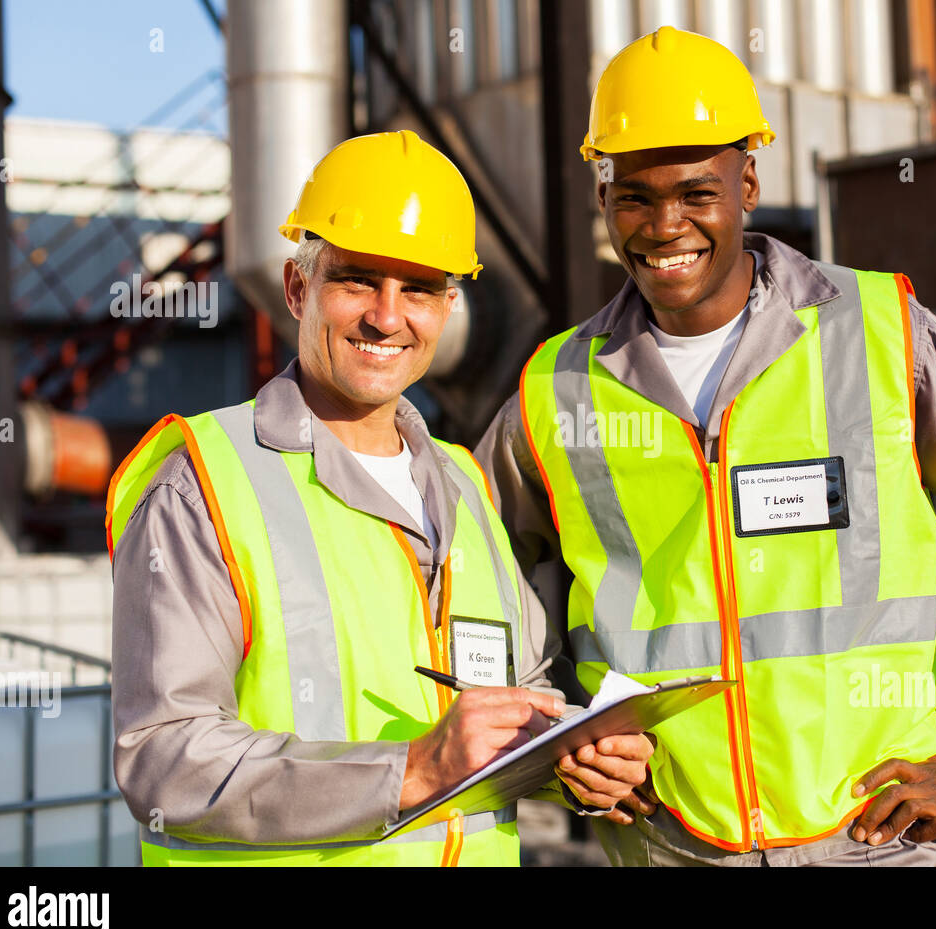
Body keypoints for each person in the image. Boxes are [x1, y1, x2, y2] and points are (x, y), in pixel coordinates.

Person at [475, 27, 936, 866]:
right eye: (634, 197)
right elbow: (474, 582)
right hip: (669, 847)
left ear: (749, 184)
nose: (665, 228)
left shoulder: (881, 336)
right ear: (603, 197)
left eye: (698, 192)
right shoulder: (557, 388)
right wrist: (555, 740)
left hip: (874, 840)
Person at [107, 130, 651, 867]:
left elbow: (513, 702)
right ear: (299, 289)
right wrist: (412, 769)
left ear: (447, 307)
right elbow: (164, 760)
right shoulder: (205, 483)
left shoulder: (463, 485)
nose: (388, 317)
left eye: (419, 289)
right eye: (358, 280)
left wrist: (575, 761)